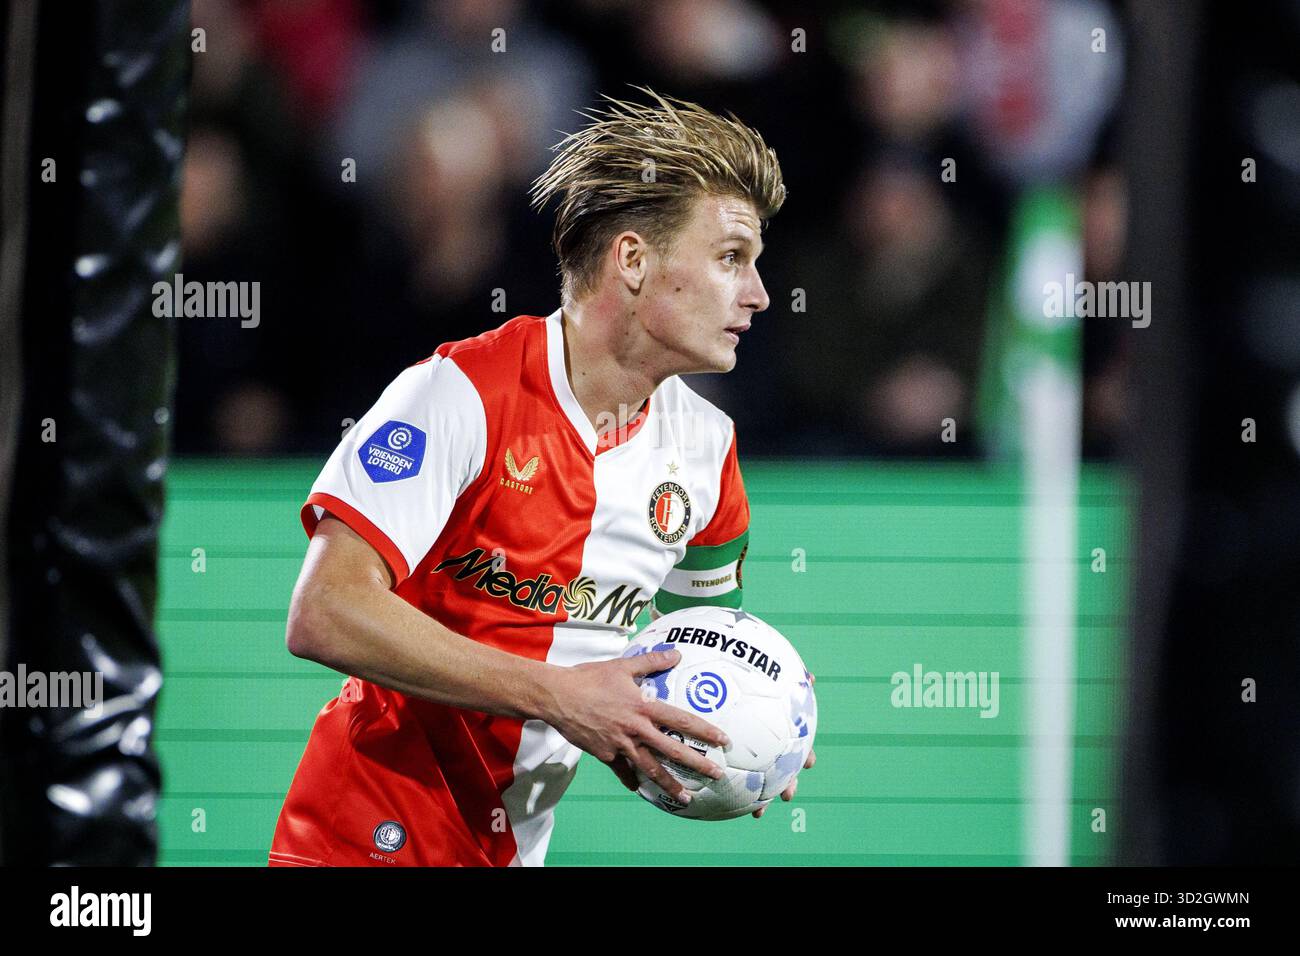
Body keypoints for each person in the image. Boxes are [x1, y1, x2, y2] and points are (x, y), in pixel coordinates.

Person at [268, 86, 814, 867]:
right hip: (365, 833)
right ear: (633, 259)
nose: (759, 294)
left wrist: (748, 735)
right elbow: (323, 612)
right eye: (732, 258)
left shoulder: (707, 448)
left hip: (514, 851)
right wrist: (561, 696)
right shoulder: (457, 395)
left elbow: (696, 654)